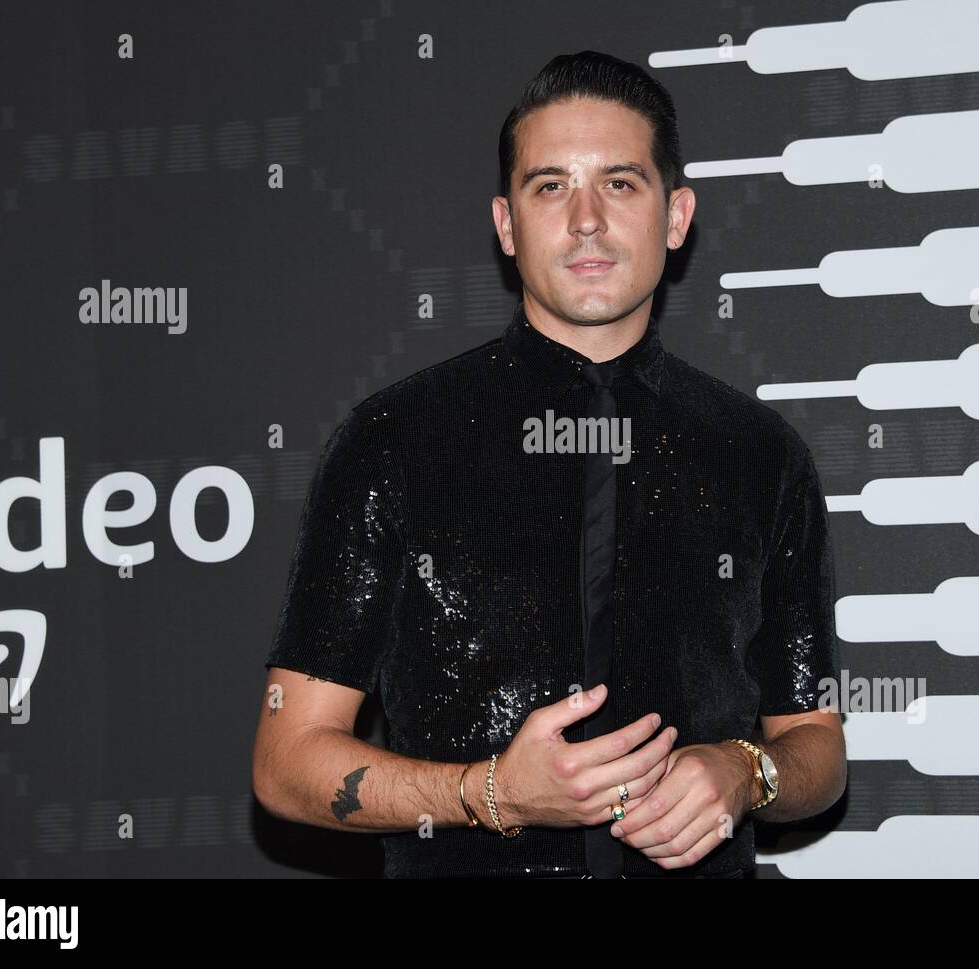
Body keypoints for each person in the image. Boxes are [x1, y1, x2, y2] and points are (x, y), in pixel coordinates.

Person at [251, 49, 846, 879]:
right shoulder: (392, 440)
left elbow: (816, 743)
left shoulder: (763, 454)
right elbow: (286, 761)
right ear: (506, 224)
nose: (587, 219)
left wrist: (746, 771)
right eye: (550, 186)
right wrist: (491, 792)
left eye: (620, 183)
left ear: (677, 216)